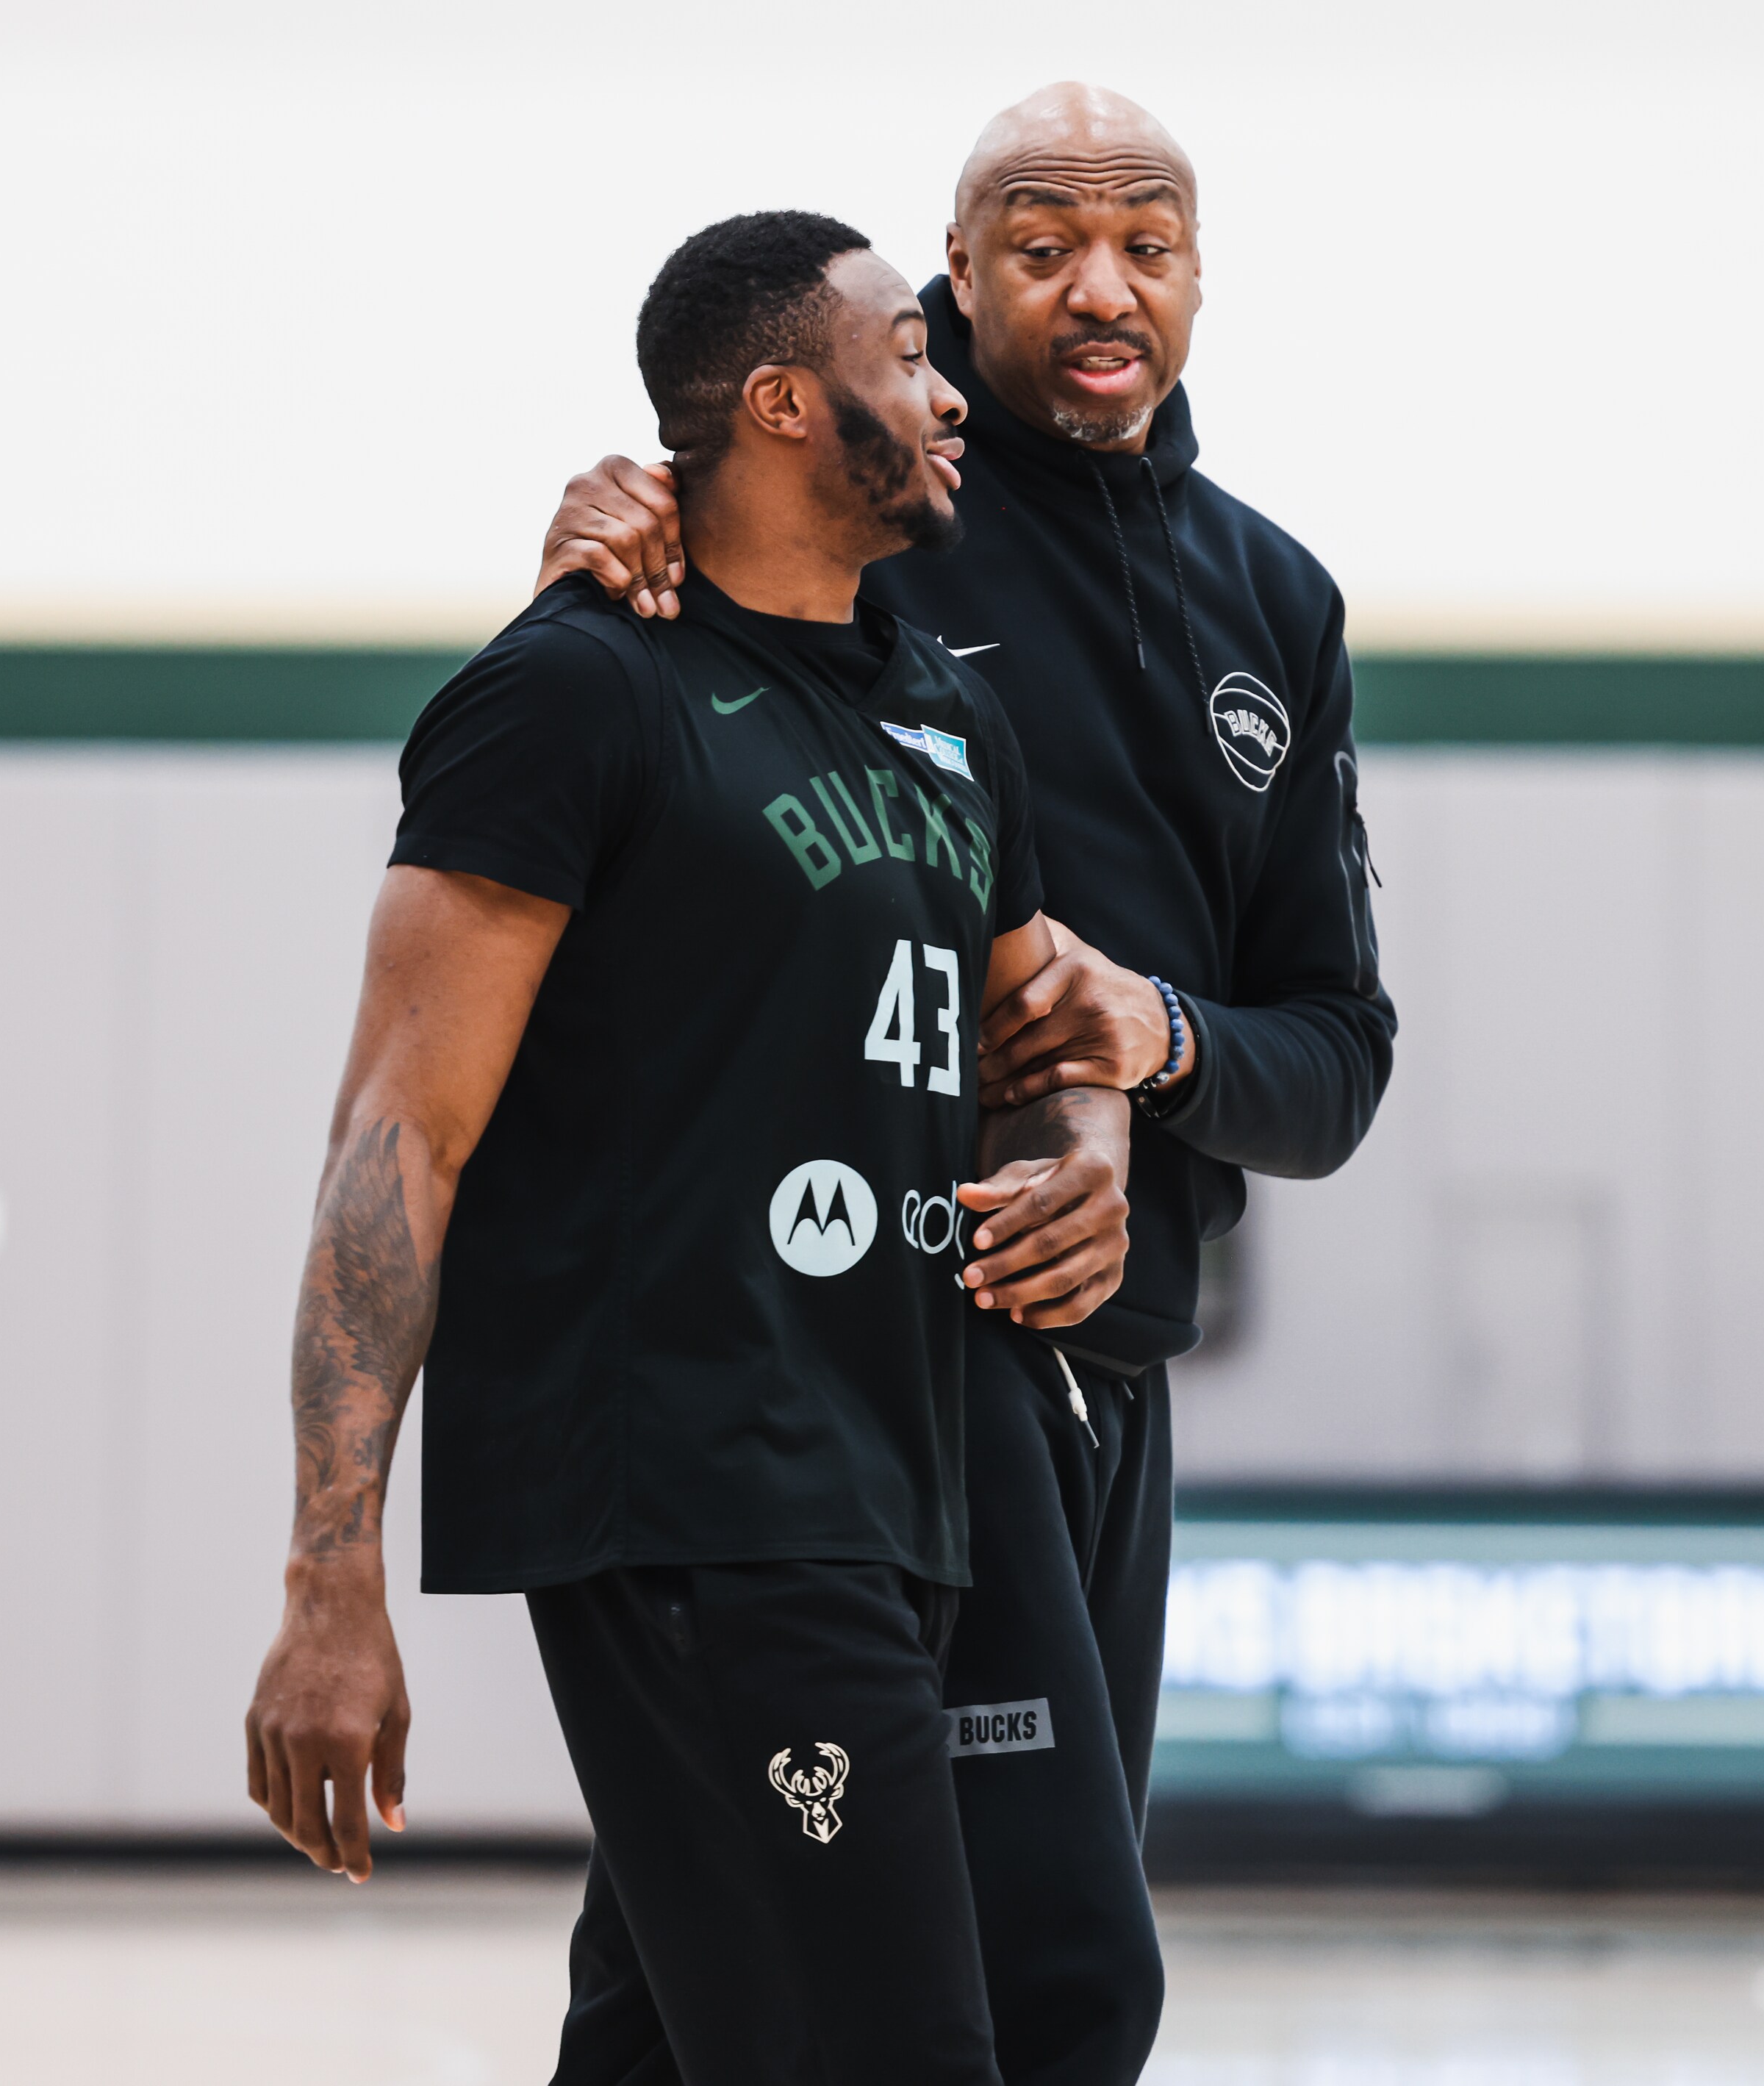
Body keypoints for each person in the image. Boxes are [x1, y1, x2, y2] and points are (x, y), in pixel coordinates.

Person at [534, 85, 1395, 2086]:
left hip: (1107, 1376)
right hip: (865, 1357)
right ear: (957, 270)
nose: (1101, 286)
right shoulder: (871, 502)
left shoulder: (1278, 603)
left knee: (690, 1978)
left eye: (1147, 240)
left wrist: (1152, 1043)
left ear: (1200, 275)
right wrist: (625, 522)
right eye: (1039, 240)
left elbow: (1331, 1065)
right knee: (1042, 1984)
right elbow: (645, 742)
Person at [242, 212, 1139, 2085]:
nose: (953, 391)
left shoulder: (944, 714)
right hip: (702, 1496)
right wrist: (332, 1572)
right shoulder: (573, 692)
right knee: (887, 2055)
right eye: (915, 350)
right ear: (786, 403)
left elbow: (1029, 1029)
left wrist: (1086, 1144)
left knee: (773, 2035)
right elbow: (395, 1134)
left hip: (906, 1482)